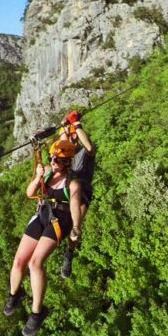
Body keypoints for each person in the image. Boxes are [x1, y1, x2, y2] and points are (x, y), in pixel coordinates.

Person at [4, 138, 84, 336]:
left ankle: (37, 313)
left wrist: (75, 226)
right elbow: (30, 192)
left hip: (61, 219)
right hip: (44, 214)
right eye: (52, 157)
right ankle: (15, 294)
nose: (53, 161)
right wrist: (39, 176)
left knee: (34, 263)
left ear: (66, 162)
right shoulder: (48, 171)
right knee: (19, 261)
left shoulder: (72, 182)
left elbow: (74, 204)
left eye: (57, 159)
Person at [59, 111, 95, 279]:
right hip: (66, 190)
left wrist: (76, 125)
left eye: (74, 137)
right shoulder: (66, 154)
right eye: (71, 138)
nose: (72, 140)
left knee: (76, 222)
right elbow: (60, 145)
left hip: (83, 190)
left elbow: (90, 147)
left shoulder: (83, 151)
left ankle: (69, 253)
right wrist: (64, 128)